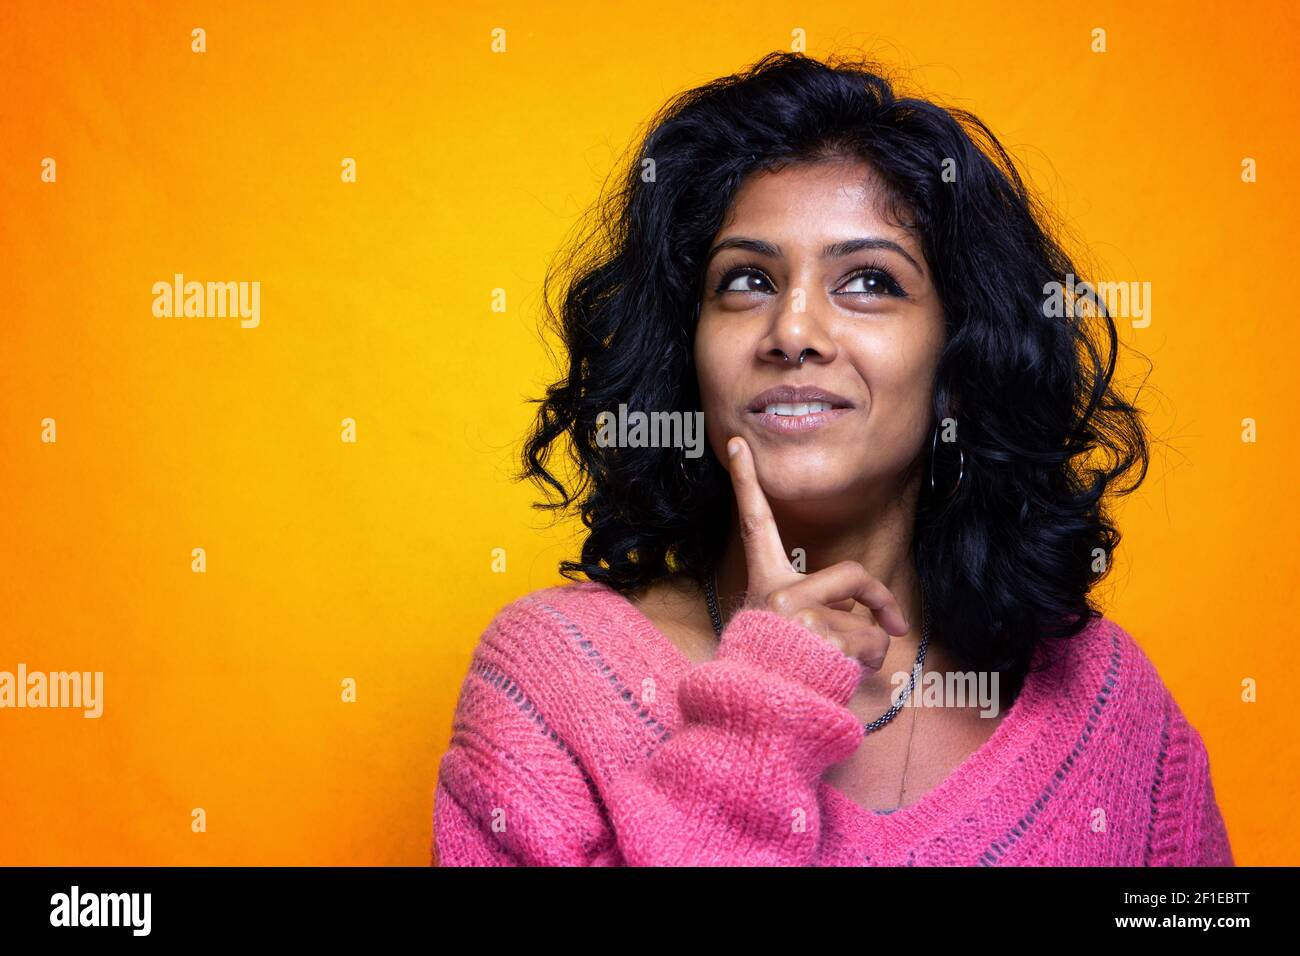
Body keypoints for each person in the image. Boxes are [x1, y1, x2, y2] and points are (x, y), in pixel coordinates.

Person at [432, 50, 1233, 866]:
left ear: (963, 357)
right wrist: (762, 712)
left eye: (869, 283)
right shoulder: (549, 684)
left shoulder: (1107, 707)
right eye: (746, 280)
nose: (793, 332)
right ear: (689, 351)